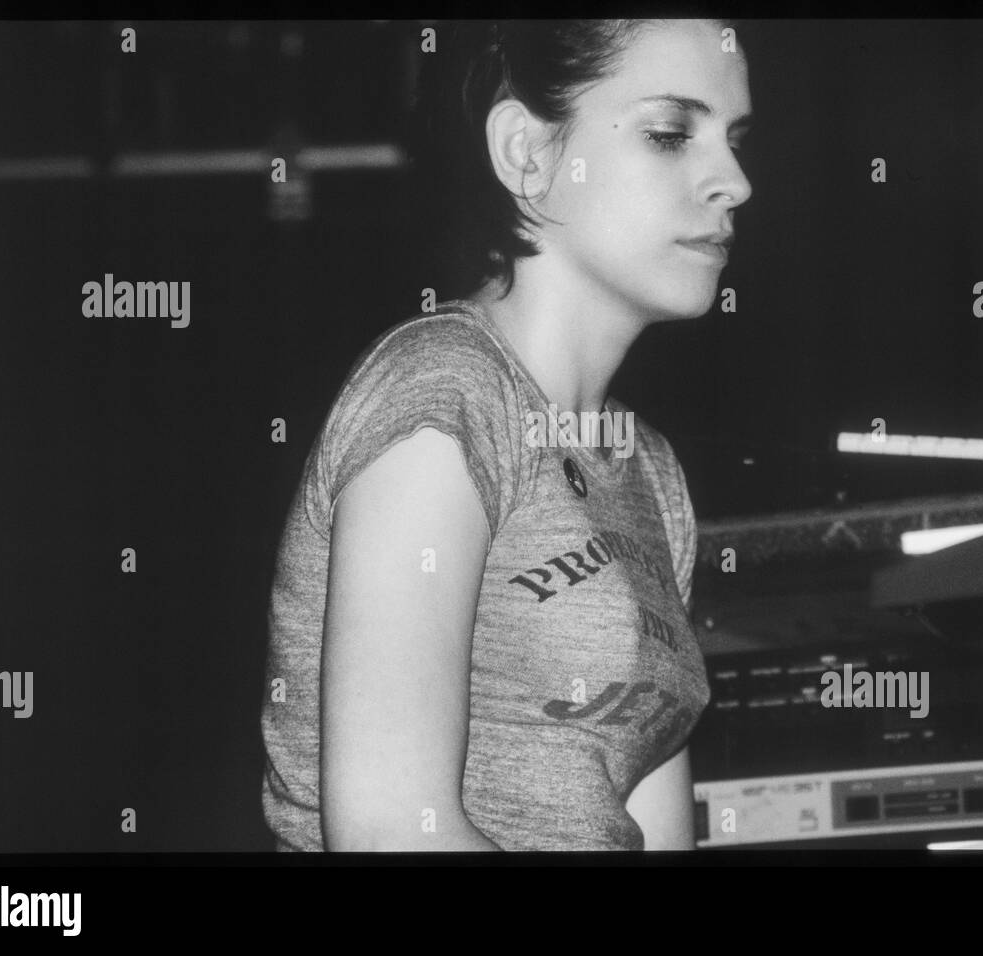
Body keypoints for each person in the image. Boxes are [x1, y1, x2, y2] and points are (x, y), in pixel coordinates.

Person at [261, 18, 753, 851]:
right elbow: (389, 834)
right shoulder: (444, 394)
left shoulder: (649, 472)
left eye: (734, 140)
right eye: (671, 134)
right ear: (527, 152)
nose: (734, 181)